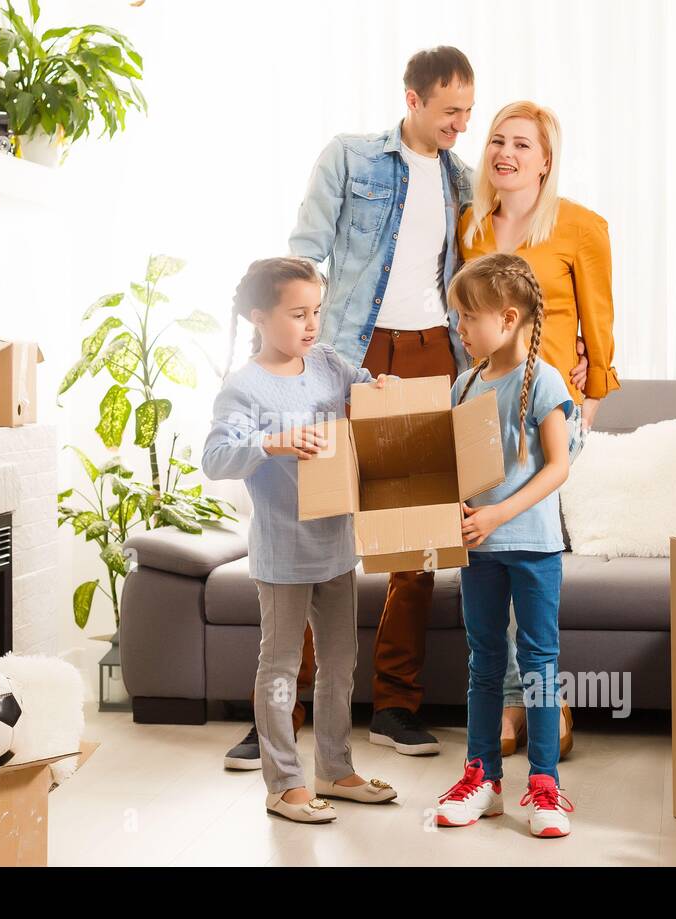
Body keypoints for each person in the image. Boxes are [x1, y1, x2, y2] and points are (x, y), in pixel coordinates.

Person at [219, 46, 479, 770]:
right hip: (345, 353)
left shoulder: (464, 180)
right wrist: (287, 345)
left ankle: (395, 707)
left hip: (430, 354)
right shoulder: (351, 157)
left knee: (414, 541)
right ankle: (282, 712)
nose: (462, 122)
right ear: (413, 99)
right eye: (451, 108)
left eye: (469, 109)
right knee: (313, 519)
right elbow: (304, 255)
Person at [203, 256, 399, 823]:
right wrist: (275, 443)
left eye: (316, 311)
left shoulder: (329, 365)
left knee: (340, 665)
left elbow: (365, 391)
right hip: (283, 554)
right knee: (282, 667)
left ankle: (334, 770)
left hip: (336, 545)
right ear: (260, 318)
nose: (311, 324)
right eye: (297, 314)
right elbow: (216, 458)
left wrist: (381, 388)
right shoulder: (243, 387)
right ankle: (283, 783)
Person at [457, 100, 619, 757]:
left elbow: (599, 325)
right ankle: (517, 714)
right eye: (498, 140)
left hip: (550, 407)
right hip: (489, 406)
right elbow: (468, 319)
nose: (507, 154)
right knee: (493, 564)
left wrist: (588, 411)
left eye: (523, 145)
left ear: (545, 160)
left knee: (527, 560)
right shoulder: (471, 224)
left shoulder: (582, 225)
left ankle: (533, 715)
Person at [434, 253, 576, 837]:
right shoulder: (465, 383)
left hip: (533, 545)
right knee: (485, 663)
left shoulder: (543, 379)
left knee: (538, 665)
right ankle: (482, 778)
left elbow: (558, 467)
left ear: (509, 317)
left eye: (467, 318)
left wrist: (497, 514)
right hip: (480, 550)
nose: (460, 329)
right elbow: (452, 468)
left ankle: (545, 787)